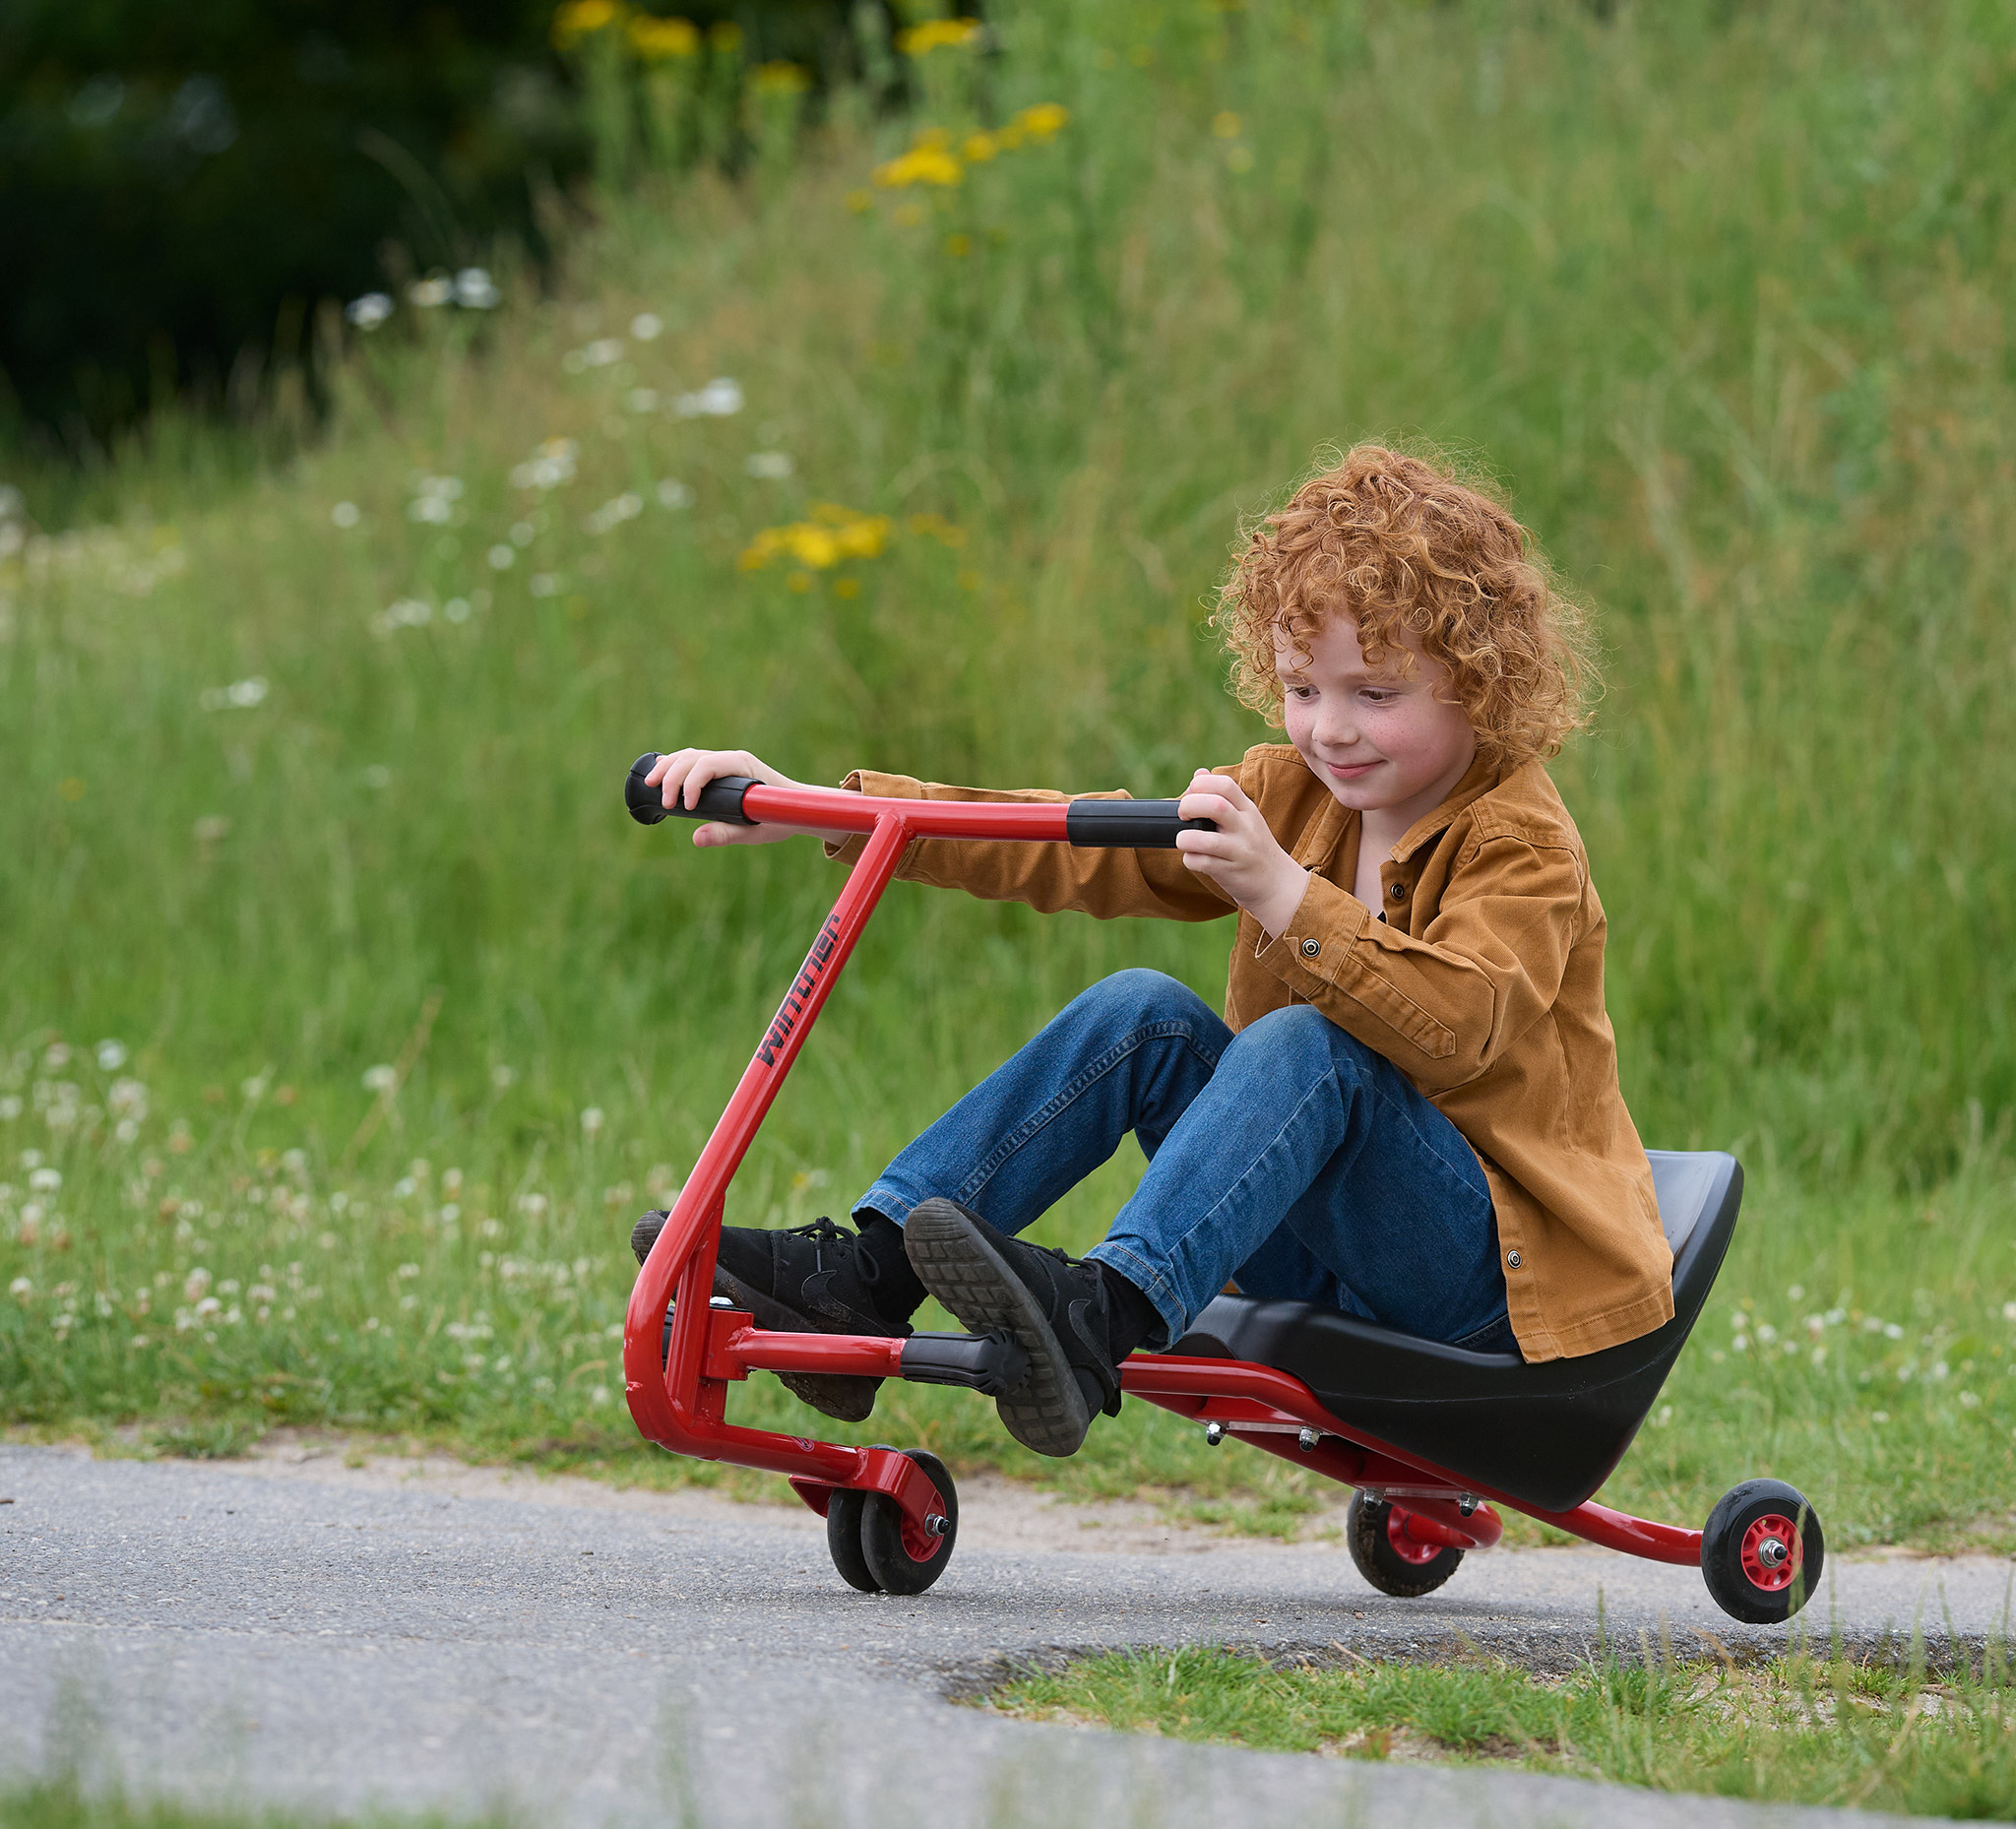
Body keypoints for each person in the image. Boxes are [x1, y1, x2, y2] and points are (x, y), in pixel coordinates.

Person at [632, 445, 1673, 1459]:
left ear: (1478, 680)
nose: (1332, 730)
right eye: (1303, 690)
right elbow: (1074, 848)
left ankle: (1098, 1316)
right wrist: (845, 814)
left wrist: (1283, 894)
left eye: (1375, 694)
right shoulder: (1289, 794)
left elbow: (1458, 1029)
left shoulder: (1518, 842)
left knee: (1305, 1043)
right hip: (1309, 1239)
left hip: (1484, 1273)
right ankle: (863, 1272)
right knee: (1140, 1012)